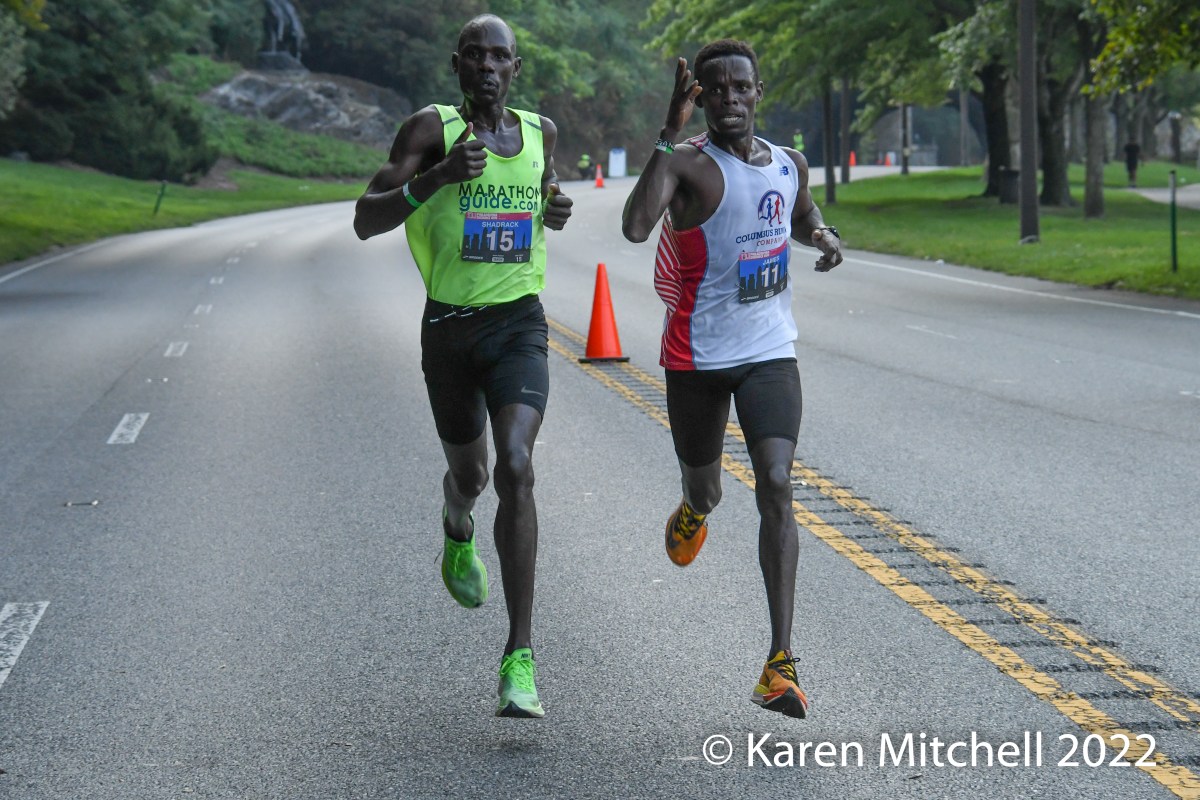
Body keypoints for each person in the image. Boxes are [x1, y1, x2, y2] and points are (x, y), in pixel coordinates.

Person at [353, 13, 573, 719]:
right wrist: (438, 177)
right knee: (473, 475)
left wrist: (555, 208)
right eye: (474, 55)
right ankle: (455, 521)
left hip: (518, 325)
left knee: (515, 462)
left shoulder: (540, 135)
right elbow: (365, 218)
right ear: (457, 65)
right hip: (447, 330)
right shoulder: (429, 131)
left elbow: (541, 199)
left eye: (499, 57)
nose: (487, 66)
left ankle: (519, 657)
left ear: (516, 68)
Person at [621, 39, 842, 719]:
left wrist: (824, 235)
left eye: (740, 88)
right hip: (697, 358)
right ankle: (692, 509)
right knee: (708, 489)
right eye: (714, 90)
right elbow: (635, 227)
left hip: (770, 349)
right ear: (701, 100)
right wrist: (667, 132)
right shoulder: (688, 167)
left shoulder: (788, 163)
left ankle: (779, 664)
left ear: (758, 91)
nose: (730, 100)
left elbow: (798, 214)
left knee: (777, 483)